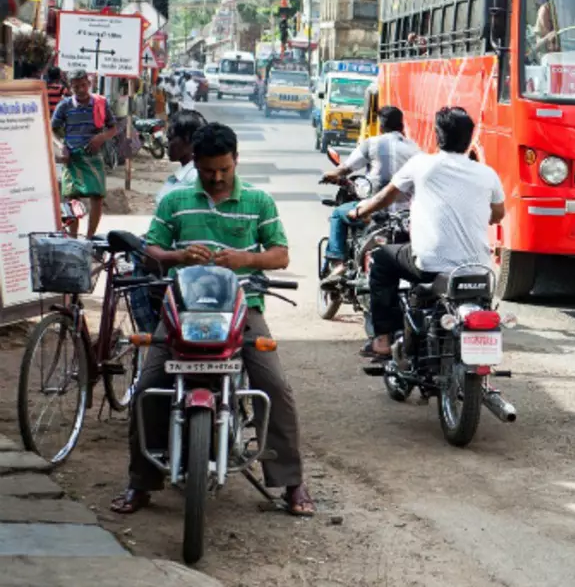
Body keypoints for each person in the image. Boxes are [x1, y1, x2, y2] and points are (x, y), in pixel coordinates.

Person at [110, 123, 315, 517]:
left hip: (243, 308)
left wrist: (246, 260)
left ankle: (291, 481)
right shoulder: (175, 201)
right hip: (182, 308)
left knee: (274, 386)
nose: (217, 177)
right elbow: (152, 248)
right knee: (148, 386)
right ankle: (140, 482)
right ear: (196, 164)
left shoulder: (258, 201)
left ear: (236, 160)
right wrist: (176, 257)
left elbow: (280, 254)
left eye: (224, 169)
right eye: (208, 170)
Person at [352, 107, 505, 359]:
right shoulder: (487, 174)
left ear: (437, 135)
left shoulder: (422, 164)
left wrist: (360, 211)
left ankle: (382, 340)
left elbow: (384, 197)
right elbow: (498, 214)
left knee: (381, 260)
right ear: (469, 137)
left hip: (430, 264)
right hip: (479, 268)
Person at [319, 105, 420, 287]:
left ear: (381, 126)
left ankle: (338, 264)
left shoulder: (371, 144)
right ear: (401, 126)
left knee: (338, 214)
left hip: (372, 209)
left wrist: (330, 175)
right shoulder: (414, 149)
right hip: (404, 216)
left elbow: (346, 168)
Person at [50, 70, 118, 238]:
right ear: (70, 87)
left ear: (89, 83)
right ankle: (72, 239)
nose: (80, 89)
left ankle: (89, 238)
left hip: (94, 157)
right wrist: (62, 146)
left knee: (97, 197)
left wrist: (100, 138)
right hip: (72, 158)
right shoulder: (64, 105)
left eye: (83, 85)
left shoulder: (101, 103)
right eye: (76, 87)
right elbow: (52, 130)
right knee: (71, 199)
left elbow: (113, 128)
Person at [155, 110, 206, 203]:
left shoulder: (193, 178)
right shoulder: (186, 174)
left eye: (170, 138)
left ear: (186, 139)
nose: (167, 144)